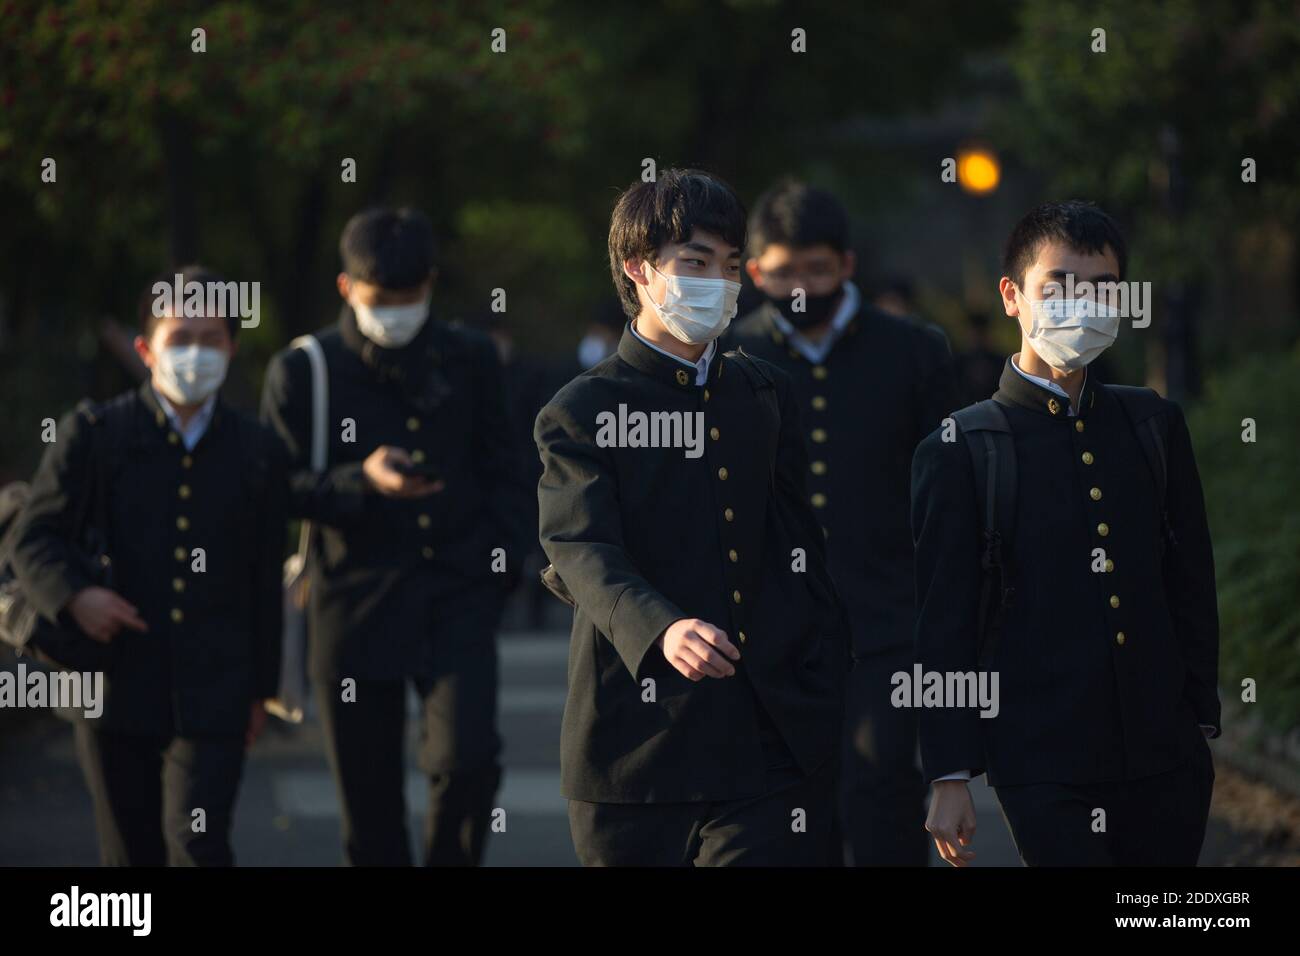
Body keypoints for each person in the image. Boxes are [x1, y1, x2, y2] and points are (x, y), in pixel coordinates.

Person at [535, 168, 849, 866]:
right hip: (633, 747)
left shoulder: (766, 393)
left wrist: (823, 668)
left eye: (732, 267)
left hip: (766, 734)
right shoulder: (581, 411)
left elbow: (801, 545)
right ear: (638, 270)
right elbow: (580, 547)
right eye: (696, 264)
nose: (719, 283)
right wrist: (663, 625)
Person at [914, 200, 1220, 867]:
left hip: (1165, 754)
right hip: (1041, 758)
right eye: (1059, 287)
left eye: (1102, 289)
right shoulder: (963, 445)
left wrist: (1201, 717)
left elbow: (1189, 577)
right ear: (1012, 297)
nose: (1082, 305)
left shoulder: (1150, 424)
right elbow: (944, 619)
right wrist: (948, 771)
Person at [261, 207, 531, 866]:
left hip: (456, 594)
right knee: (369, 795)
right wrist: (360, 480)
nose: (396, 312)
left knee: (467, 761)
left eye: (409, 298)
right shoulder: (305, 369)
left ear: (431, 284)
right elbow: (270, 487)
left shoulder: (469, 358)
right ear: (345, 287)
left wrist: (499, 575)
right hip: (352, 602)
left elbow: (510, 471)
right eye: (381, 299)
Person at [13, 265, 287, 866]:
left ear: (232, 347)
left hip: (216, 690)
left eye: (211, 338)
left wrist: (261, 692)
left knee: (199, 845)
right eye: (179, 338)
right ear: (145, 348)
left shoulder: (256, 449)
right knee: (129, 856)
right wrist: (76, 596)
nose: (195, 353)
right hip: (113, 688)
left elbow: (265, 579)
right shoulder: (95, 433)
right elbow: (32, 539)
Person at [729, 180, 958, 866]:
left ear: (847, 266)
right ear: (755, 273)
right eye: (784, 272)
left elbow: (946, 487)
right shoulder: (736, 358)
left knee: (881, 777)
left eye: (818, 270)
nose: (802, 286)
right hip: (777, 626)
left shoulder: (914, 351)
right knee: (801, 801)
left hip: (887, 615)